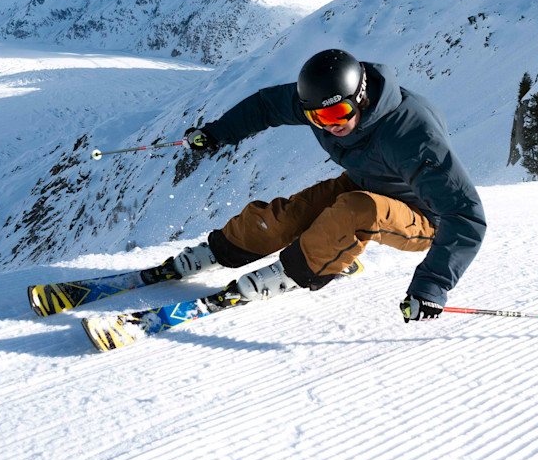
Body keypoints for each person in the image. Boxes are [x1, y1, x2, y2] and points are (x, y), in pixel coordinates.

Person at [158, 49, 486, 322]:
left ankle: (293, 271)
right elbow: (266, 106)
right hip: (365, 181)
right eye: (318, 119)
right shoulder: (320, 102)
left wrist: (432, 287)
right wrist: (215, 133)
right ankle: (222, 249)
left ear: (361, 98)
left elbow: (464, 213)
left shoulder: (412, 135)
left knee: (356, 210)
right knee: (292, 214)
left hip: (424, 217)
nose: (332, 125)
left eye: (340, 113)